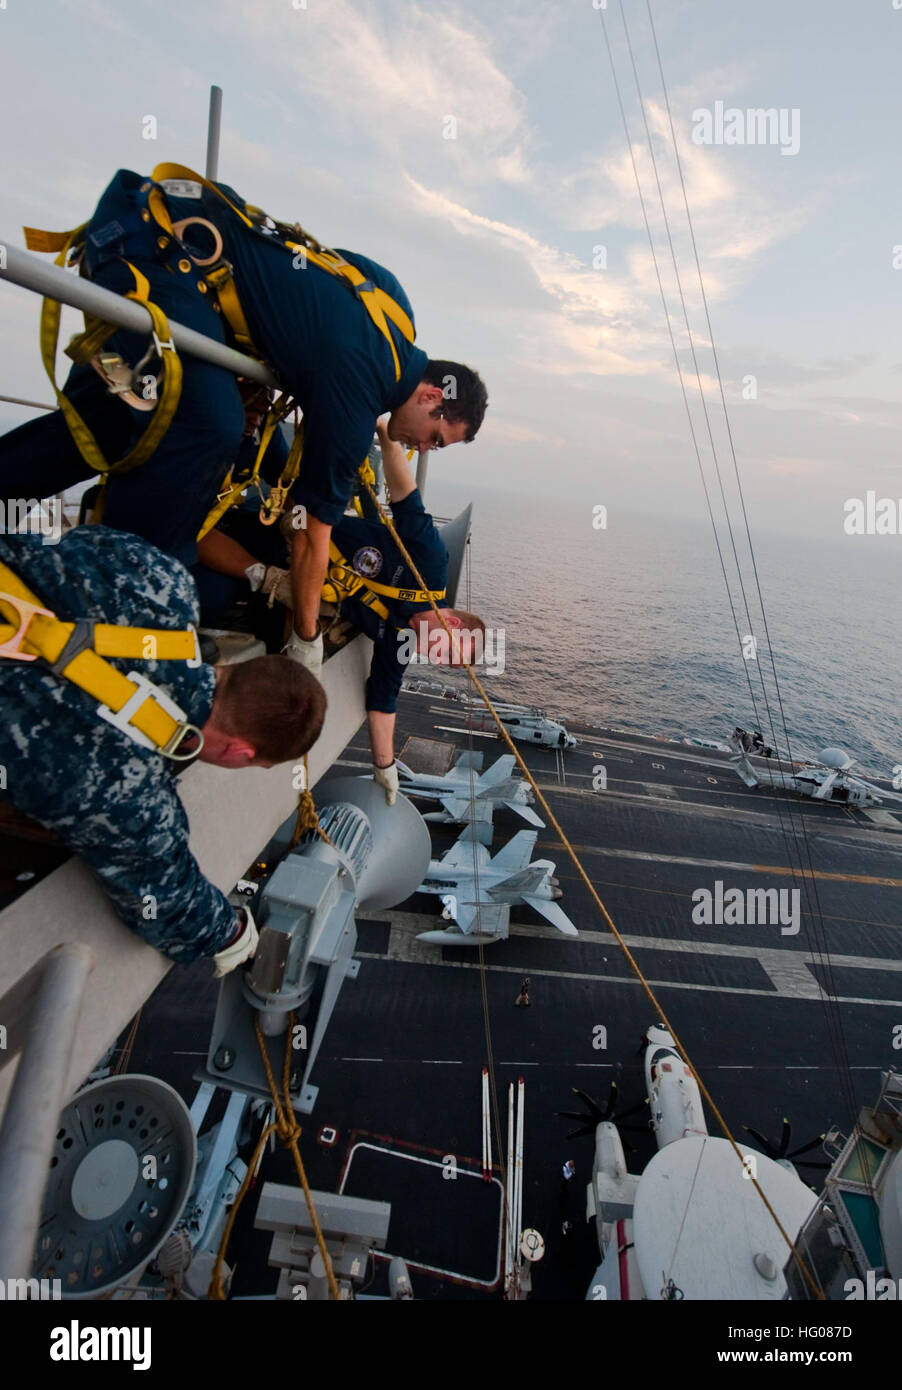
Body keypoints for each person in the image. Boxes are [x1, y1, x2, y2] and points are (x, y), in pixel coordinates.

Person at [0, 166, 488, 680]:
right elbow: (308, 533)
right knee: (208, 423)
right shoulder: (361, 390)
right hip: (154, 248)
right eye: (436, 436)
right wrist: (305, 640)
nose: (426, 448)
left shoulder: (393, 310)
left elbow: (302, 298)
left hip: (158, 228)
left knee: (114, 420)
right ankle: (118, 602)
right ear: (432, 394)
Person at [0, 526, 326, 971]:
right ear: (239, 753)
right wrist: (234, 934)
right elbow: (167, 902)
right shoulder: (127, 788)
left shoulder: (164, 581)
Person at [193, 423, 487, 803]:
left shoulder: (400, 637)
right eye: (445, 651)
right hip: (288, 523)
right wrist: (386, 435)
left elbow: (384, 700)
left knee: (209, 597)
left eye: (443, 661)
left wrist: (385, 767)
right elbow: (405, 499)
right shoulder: (428, 565)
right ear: (450, 622)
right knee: (234, 465)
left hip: (272, 574)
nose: (432, 656)